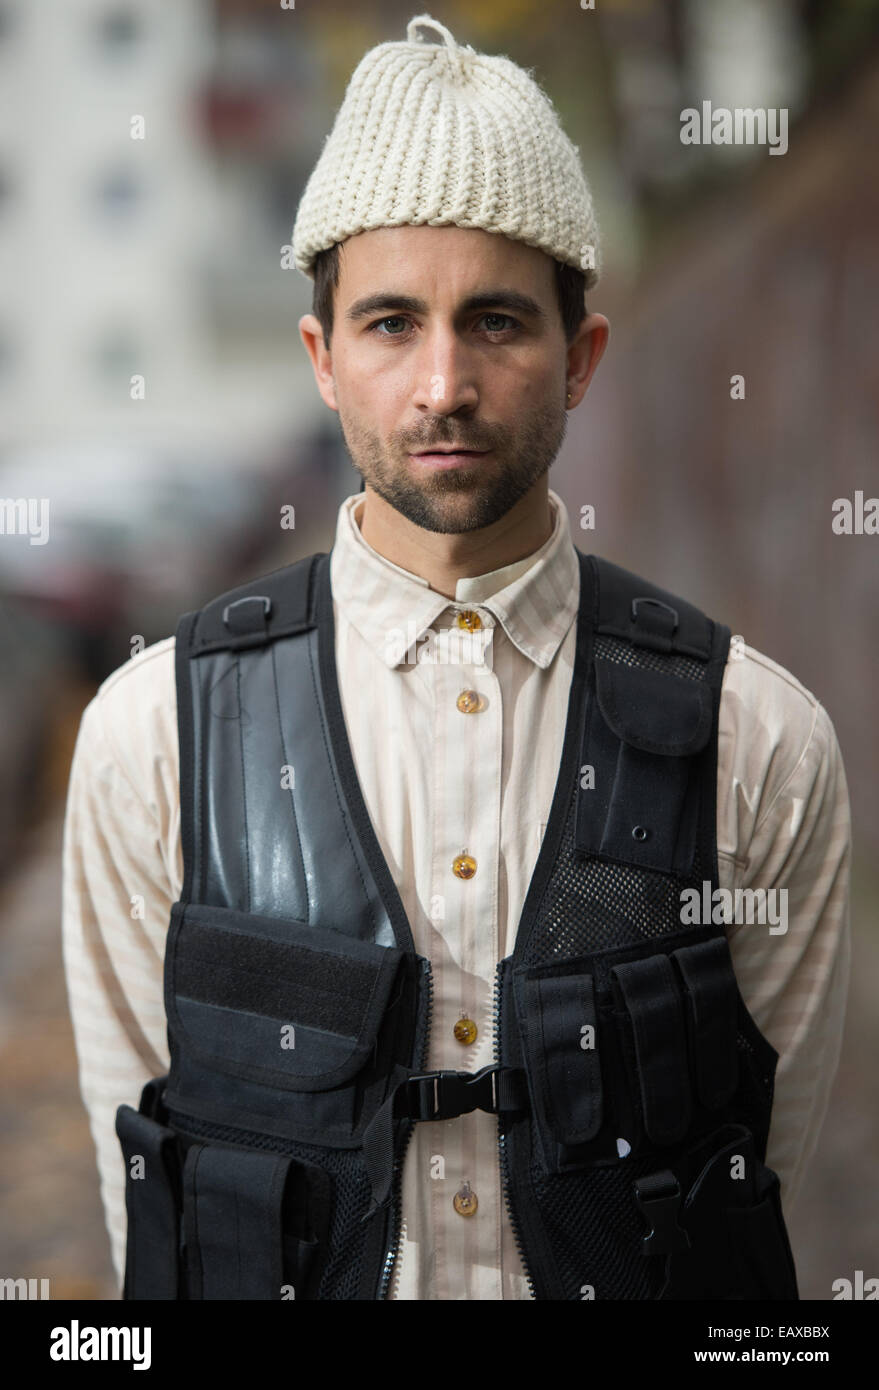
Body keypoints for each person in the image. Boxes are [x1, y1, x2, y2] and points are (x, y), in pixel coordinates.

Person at [62, 13, 850, 1301]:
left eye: (495, 320)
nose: (442, 384)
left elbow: (762, 1171)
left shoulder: (755, 741)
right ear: (322, 361)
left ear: (581, 358)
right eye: (388, 324)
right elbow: (144, 1186)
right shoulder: (156, 735)